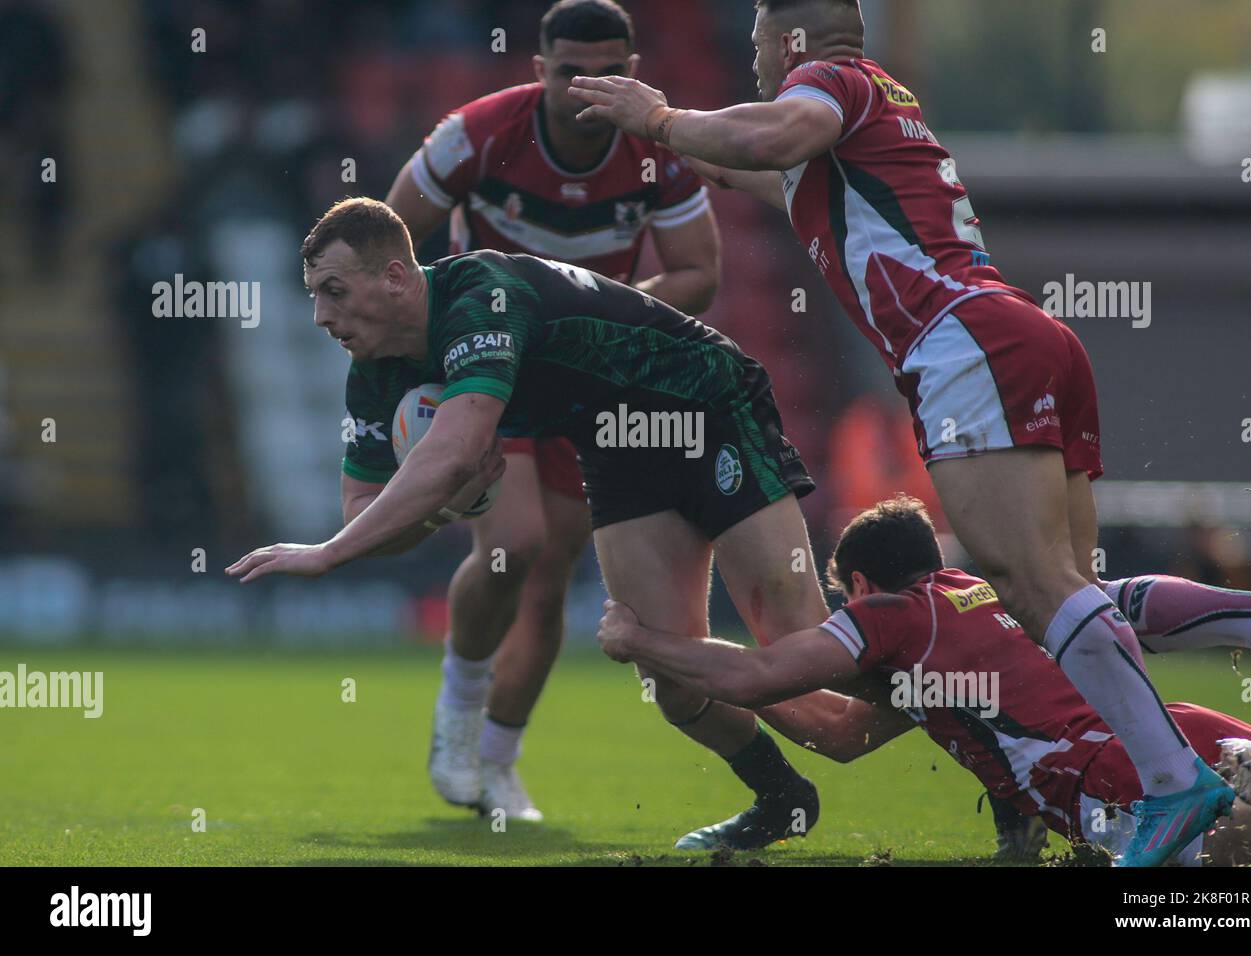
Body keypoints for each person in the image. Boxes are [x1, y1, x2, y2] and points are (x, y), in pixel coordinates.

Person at [569, 0, 1247, 864]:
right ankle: (1181, 766)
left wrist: (659, 115)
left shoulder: (829, 80)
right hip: (1022, 332)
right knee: (1073, 597)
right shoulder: (879, 111)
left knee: (1038, 584)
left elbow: (771, 137)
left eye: (756, 47)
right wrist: (671, 143)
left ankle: (1223, 698)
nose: (754, 65)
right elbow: (762, 167)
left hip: (963, 342)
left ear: (792, 39)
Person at [228, 197, 837, 850]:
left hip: (709, 406)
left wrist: (329, 553)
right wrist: (445, 506)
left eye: (334, 291)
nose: (321, 316)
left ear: (397, 278)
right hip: (616, 447)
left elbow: (455, 450)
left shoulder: (481, 296)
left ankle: (942, 663)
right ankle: (783, 798)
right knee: (670, 679)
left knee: (810, 670)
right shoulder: (374, 375)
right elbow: (366, 512)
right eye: (315, 296)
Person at [385, 0, 720, 820]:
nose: (586, 87)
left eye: (607, 71)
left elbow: (697, 272)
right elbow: (392, 241)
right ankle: (457, 716)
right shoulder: (478, 134)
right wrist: (434, 334)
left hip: (582, 375)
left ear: (632, 73)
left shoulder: (658, 150)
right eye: (570, 70)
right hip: (489, 359)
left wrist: (601, 322)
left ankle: (498, 760)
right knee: (515, 544)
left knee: (549, 577)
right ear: (540, 70)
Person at [596, 495, 1251, 865]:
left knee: (1242, 873)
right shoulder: (989, 590)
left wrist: (642, 643)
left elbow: (757, 679)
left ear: (864, 585)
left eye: (848, 596)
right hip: (1174, 728)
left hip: (1107, 776)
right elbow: (856, 730)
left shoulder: (896, 615)